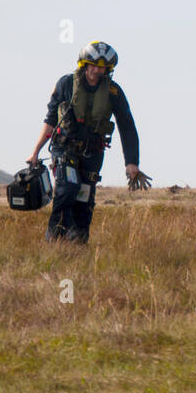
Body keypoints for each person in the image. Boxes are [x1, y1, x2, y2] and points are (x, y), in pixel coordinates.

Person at [27, 41, 144, 244]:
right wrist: (35, 151)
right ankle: (54, 240)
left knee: (84, 198)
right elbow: (50, 119)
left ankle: (78, 244)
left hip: (93, 152)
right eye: (93, 66)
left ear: (108, 70)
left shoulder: (114, 92)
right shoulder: (65, 84)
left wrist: (131, 163)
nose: (97, 71)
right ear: (84, 65)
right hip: (64, 148)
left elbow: (127, 126)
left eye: (102, 68)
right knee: (67, 189)